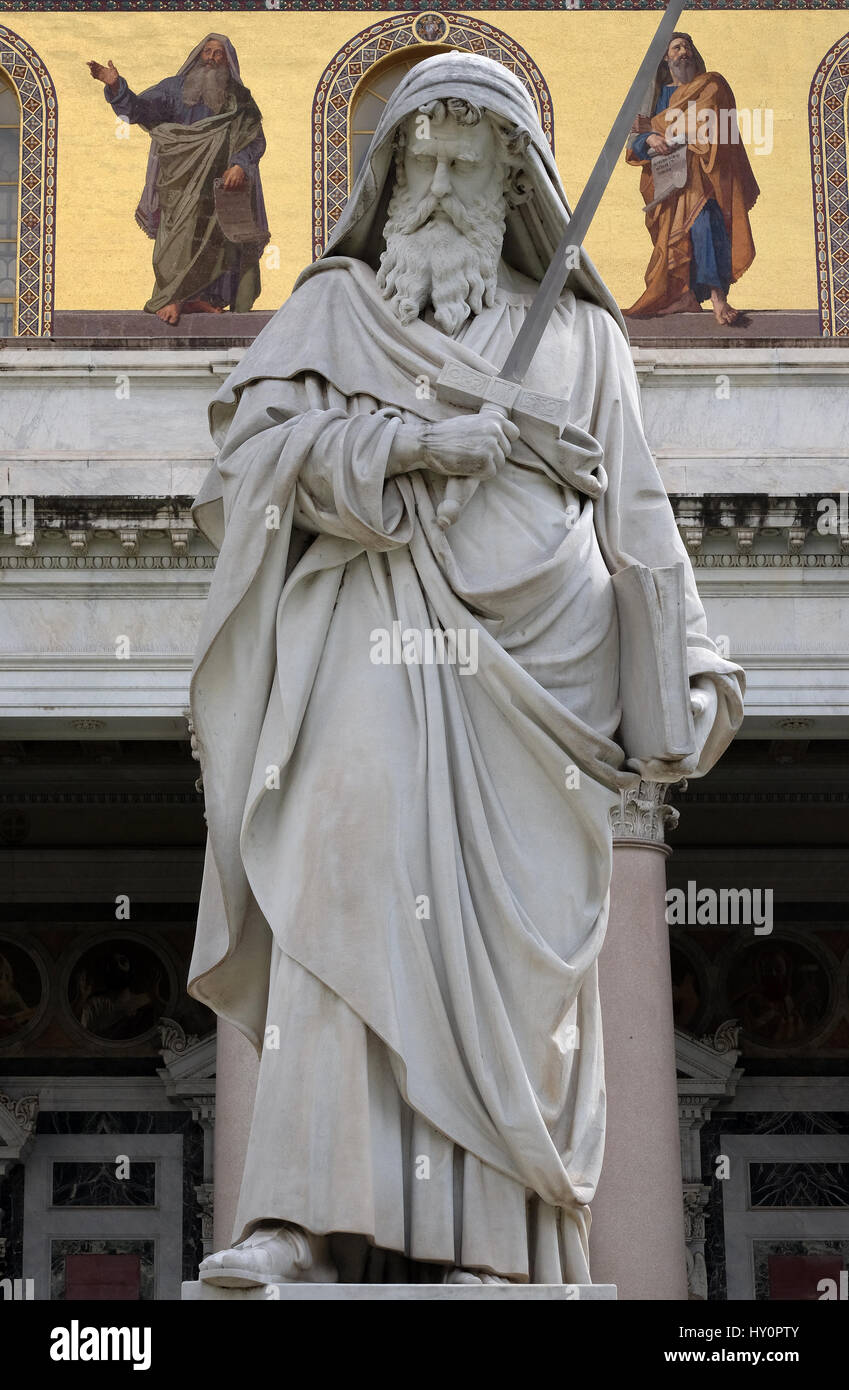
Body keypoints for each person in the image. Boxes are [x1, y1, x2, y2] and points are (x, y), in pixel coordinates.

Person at [188, 53, 744, 1287]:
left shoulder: (591, 339)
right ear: (387, 178)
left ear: (513, 181)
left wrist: (696, 660)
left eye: (465, 164)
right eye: (419, 162)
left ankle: (505, 1247)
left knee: (508, 969)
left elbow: (640, 518)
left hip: (544, 682)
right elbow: (239, 478)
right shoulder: (335, 313)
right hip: (371, 639)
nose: (438, 187)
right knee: (341, 876)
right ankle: (294, 1219)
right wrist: (410, 446)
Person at [88, 34, 268, 325]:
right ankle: (172, 297)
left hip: (221, 186)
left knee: (219, 242)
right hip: (179, 181)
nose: (210, 57)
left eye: (218, 53)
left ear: (228, 61)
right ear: (197, 56)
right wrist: (116, 86)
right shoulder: (173, 88)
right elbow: (138, 110)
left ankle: (201, 299)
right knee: (177, 239)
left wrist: (240, 164)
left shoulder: (239, 97)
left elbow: (254, 137)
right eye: (206, 52)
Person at [626, 32, 759, 325]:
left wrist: (656, 126)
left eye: (687, 46)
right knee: (673, 239)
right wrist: (649, 139)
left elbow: (709, 118)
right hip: (666, 181)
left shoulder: (711, 84)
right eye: (676, 47)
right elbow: (635, 139)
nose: (683, 51)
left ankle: (717, 297)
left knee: (705, 225)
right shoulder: (658, 94)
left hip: (703, 174)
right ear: (665, 57)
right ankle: (683, 295)